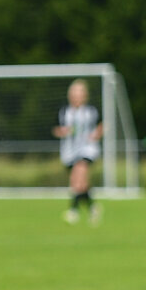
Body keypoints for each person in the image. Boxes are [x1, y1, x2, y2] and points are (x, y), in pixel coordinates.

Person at [53, 79, 102, 224]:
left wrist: (96, 134)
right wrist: (62, 132)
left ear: (85, 95)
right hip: (70, 151)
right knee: (81, 183)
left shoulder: (91, 111)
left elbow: (102, 125)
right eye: (74, 92)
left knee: (77, 175)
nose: (76, 96)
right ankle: (93, 207)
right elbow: (56, 129)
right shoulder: (64, 112)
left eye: (79, 92)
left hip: (87, 149)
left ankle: (73, 210)